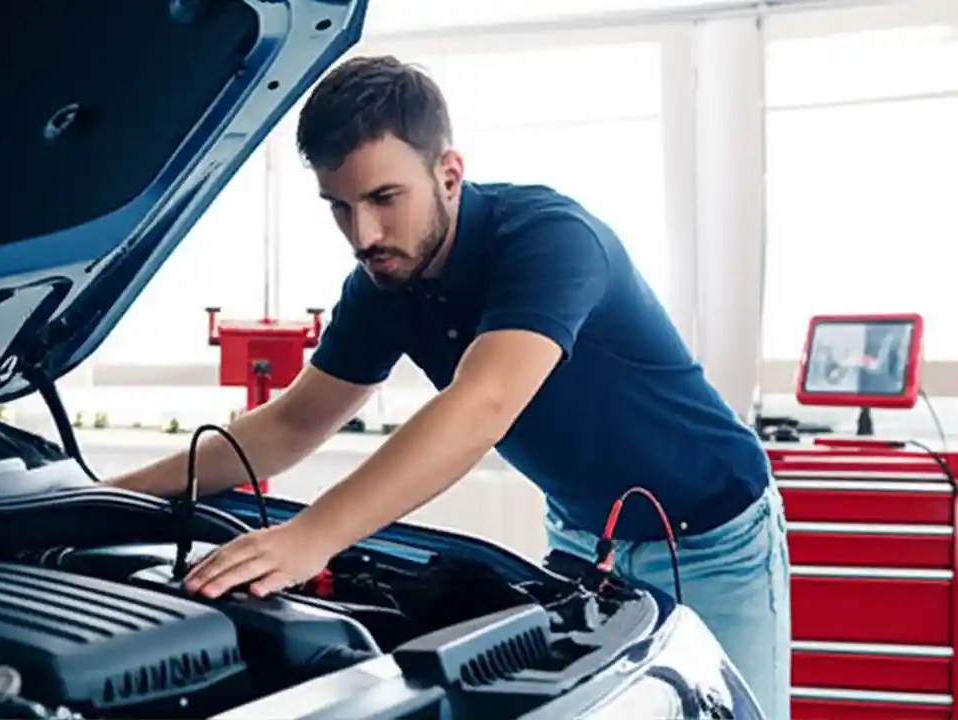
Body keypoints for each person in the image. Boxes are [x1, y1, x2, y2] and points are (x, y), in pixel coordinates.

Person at [105, 55, 790, 719]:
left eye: (383, 199)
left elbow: (482, 405)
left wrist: (312, 537)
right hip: (587, 536)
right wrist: (108, 496)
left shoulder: (551, 241)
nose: (363, 234)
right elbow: (290, 426)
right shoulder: (382, 282)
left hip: (716, 536)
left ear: (450, 173)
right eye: (339, 207)